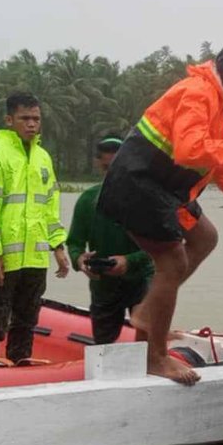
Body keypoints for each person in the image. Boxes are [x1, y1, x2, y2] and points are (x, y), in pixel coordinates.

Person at [98, 40, 223, 385]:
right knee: (172, 262)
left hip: (164, 186)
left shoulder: (220, 102)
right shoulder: (199, 92)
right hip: (138, 181)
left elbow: (213, 155)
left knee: (205, 237)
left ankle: (148, 313)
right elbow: (189, 150)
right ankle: (155, 356)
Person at [0, 93, 70, 366]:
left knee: (26, 320)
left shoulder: (43, 158)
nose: (32, 124)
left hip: (35, 258)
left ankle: (20, 365)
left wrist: (57, 246)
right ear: (9, 120)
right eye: (25, 118)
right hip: (5, 258)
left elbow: (50, 206)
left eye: (36, 118)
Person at [66, 135, 154, 344]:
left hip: (142, 279)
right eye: (107, 168)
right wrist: (80, 261)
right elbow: (75, 242)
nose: (113, 174)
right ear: (98, 165)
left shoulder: (148, 198)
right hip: (104, 284)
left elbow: (163, 249)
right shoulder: (87, 200)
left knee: (147, 332)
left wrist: (129, 261)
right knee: (103, 346)